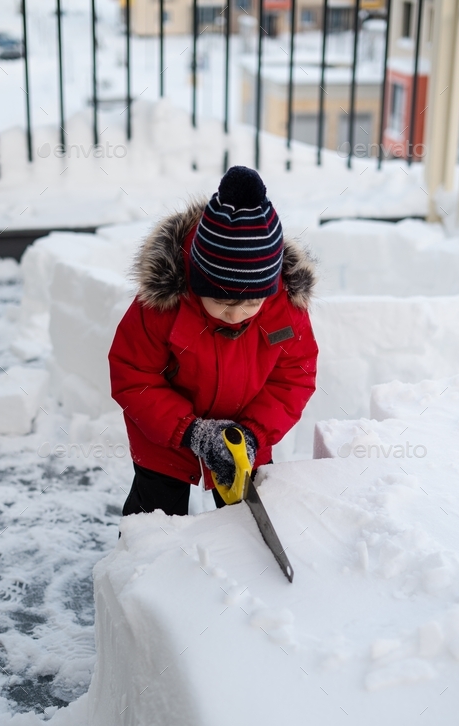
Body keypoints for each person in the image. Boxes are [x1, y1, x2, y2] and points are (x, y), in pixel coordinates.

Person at [109, 165, 319, 517]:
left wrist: (253, 435)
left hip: (244, 443)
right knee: (154, 517)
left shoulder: (285, 308)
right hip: (166, 439)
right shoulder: (165, 304)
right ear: (198, 283)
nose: (237, 315)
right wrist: (192, 432)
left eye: (252, 303)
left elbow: (294, 377)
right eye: (223, 302)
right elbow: (133, 375)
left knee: (242, 522)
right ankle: (142, 567)